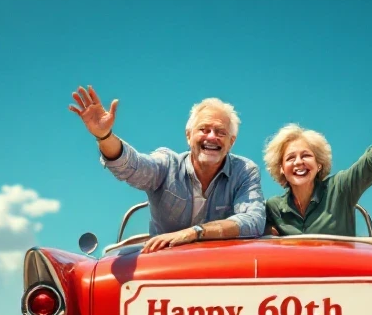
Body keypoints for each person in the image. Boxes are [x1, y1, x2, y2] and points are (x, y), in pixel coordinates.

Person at [68, 85, 266, 253]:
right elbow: (133, 167)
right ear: (188, 136)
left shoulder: (245, 171)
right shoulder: (167, 164)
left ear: (231, 142)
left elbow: (253, 220)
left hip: (223, 269)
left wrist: (195, 232)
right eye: (204, 130)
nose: (212, 137)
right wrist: (105, 136)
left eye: (221, 132)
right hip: (163, 267)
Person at [262, 67, 372, 237]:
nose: (299, 162)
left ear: (319, 164)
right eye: (290, 158)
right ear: (281, 168)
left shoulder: (341, 189)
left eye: (306, 155)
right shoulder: (273, 208)